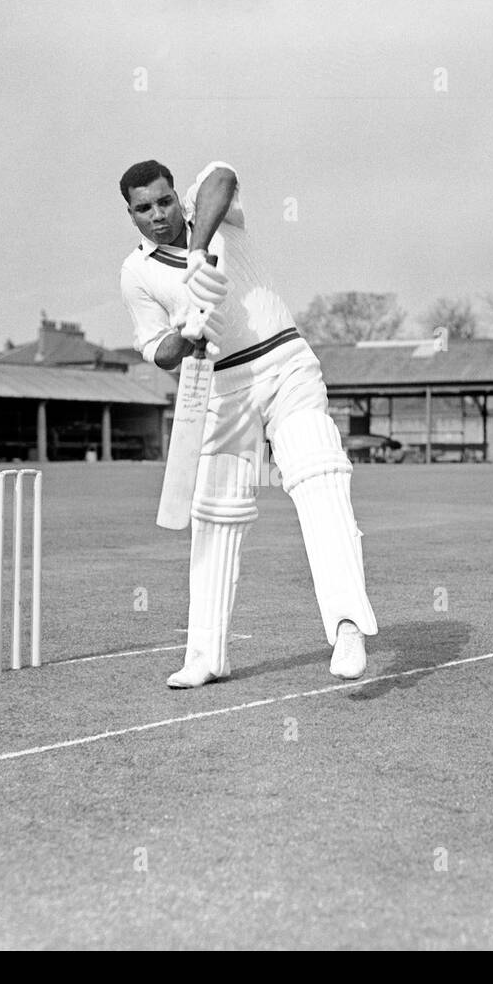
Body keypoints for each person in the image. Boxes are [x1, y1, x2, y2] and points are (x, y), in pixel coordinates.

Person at [119, 159, 378, 688]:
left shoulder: (216, 213)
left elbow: (223, 175)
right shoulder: (135, 272)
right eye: (144, 208)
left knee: (317, 471)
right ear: (131, 215)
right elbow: (157, 352)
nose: (158, 214)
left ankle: (348, 624)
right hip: (220, 388)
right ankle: (207, 656)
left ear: (176, 196)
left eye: (164, 201)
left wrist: (197, 254)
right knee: (216, 515)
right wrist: (186, 330)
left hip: (285, 362)